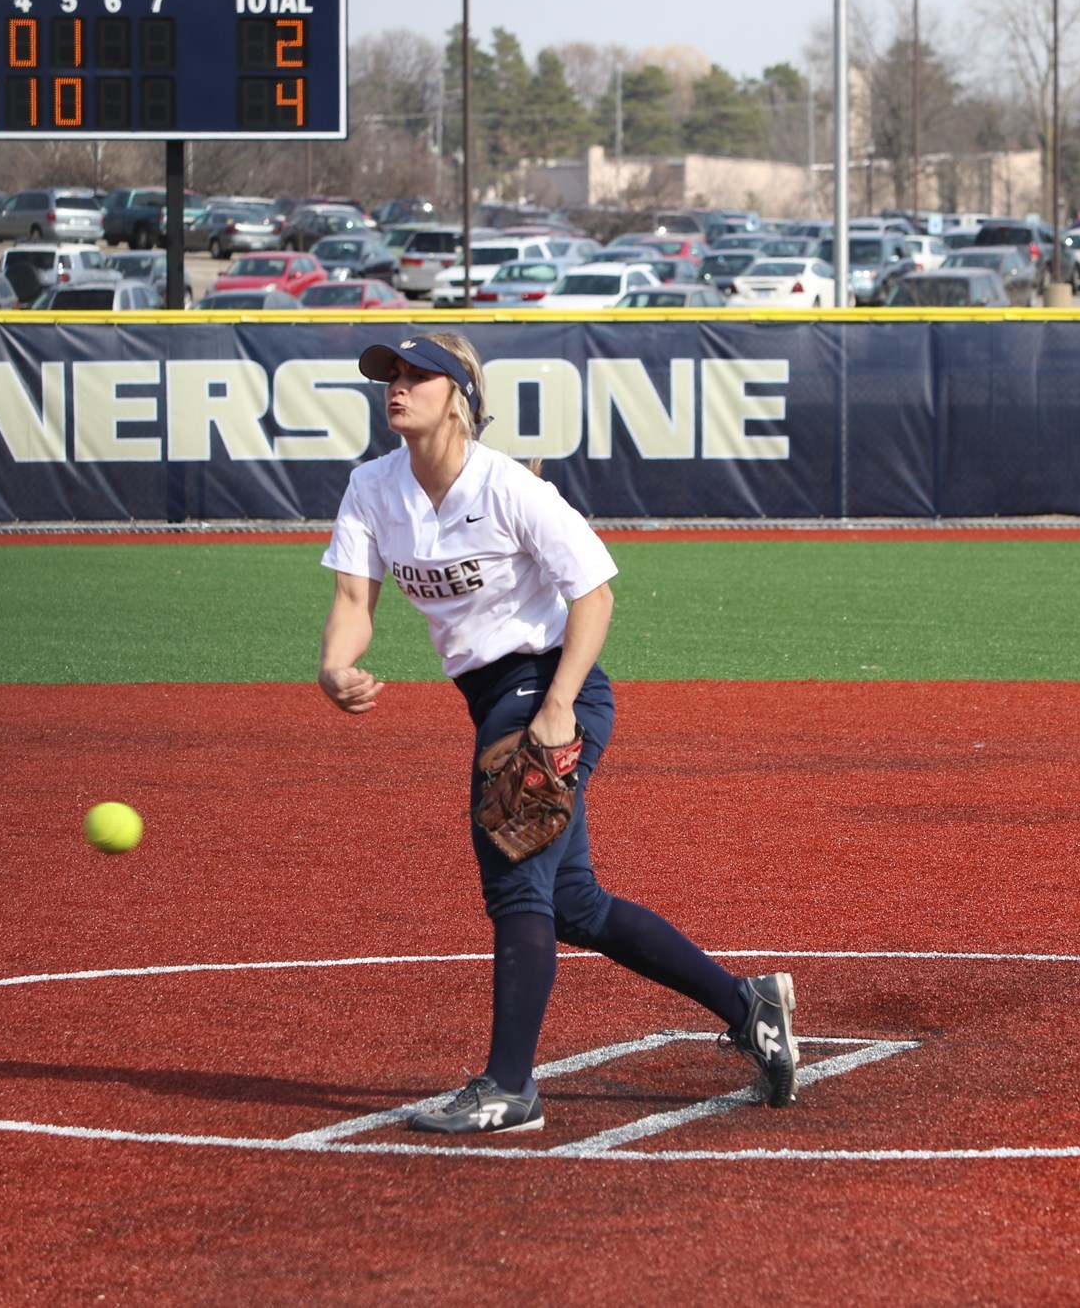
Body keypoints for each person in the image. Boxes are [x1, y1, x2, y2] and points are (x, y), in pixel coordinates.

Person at [318, 332, 796, 1136]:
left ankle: (511, 1087)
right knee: (571, 903)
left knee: (513, 874)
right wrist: (335, 666)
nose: (395, 386)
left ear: (459, 395)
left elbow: (596, 594)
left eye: (414, 374)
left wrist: (559, 706)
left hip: (546, 686)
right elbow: (354, 603)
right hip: (491, 696)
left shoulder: (508, 487)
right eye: (388, 375)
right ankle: (744, 1001)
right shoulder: (373, 487)